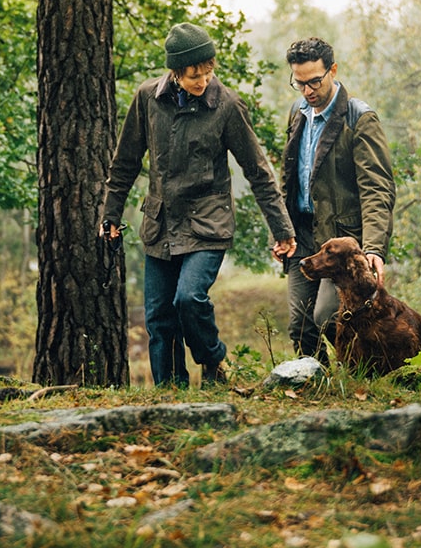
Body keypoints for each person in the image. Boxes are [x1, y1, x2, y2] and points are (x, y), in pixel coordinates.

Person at [101, 22, 296, 387]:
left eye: (209, 71)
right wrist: (110, 214)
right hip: (160, 224)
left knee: (189, 298)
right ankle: (169, 393)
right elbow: (125, 162)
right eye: (194, 74)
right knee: (159, 317)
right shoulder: (147, 99)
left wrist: (282, 231)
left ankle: (213, 360)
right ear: (175, 71)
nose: (203, 80)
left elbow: (258, 172)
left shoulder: (227, 106)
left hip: (208, 223)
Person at [279, 37, 396, 360]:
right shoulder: (297, 112)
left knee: (330, 317)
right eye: (299, 83)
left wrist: (372, 247)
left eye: (314, 81)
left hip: (343, 241)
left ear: (333, 70)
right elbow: (289, 175)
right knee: (300, 325)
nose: (307, 91)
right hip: (302, 233)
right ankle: (316, 388)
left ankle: (367, 377)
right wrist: (281, 230)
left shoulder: (359, 118)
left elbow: (377, 188)